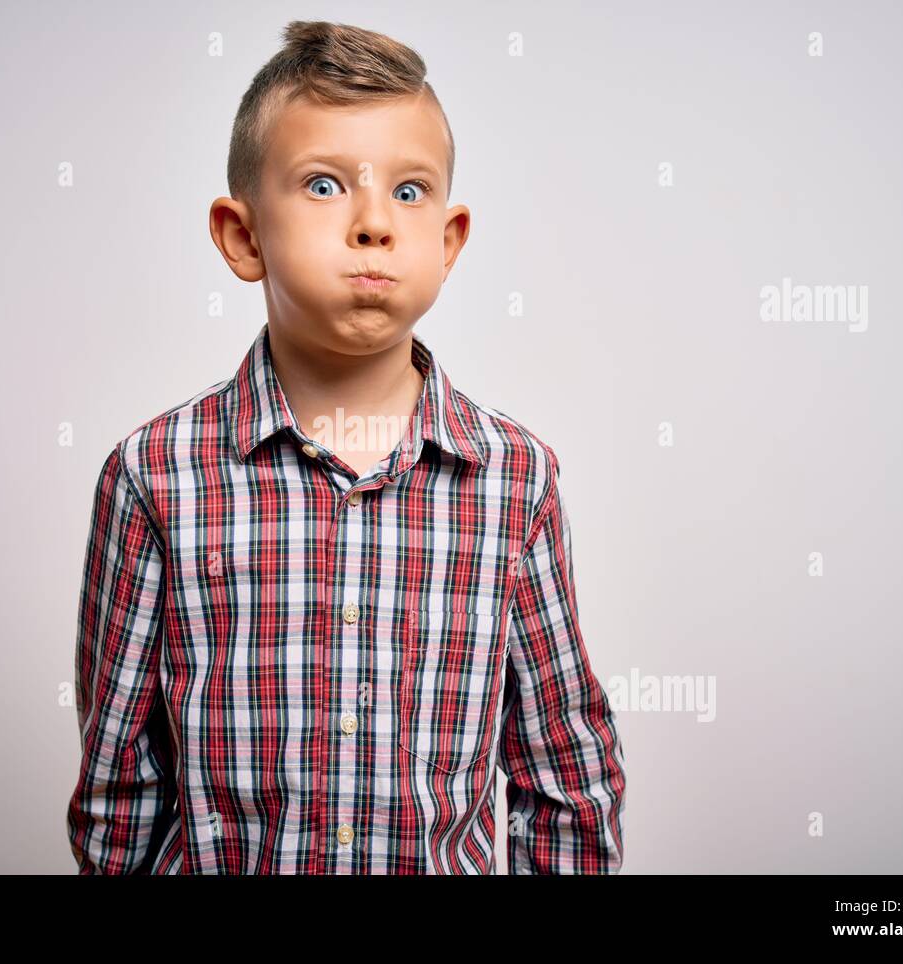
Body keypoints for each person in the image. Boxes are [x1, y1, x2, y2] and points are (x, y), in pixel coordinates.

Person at [66, 19, 625, 874]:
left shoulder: (516, 479)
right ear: (243, 236)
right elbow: (119, 784)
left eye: (409, 192)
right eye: (324, 185)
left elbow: (567, 776)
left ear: (448, 241)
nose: (373, 224)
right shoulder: (156, 475)